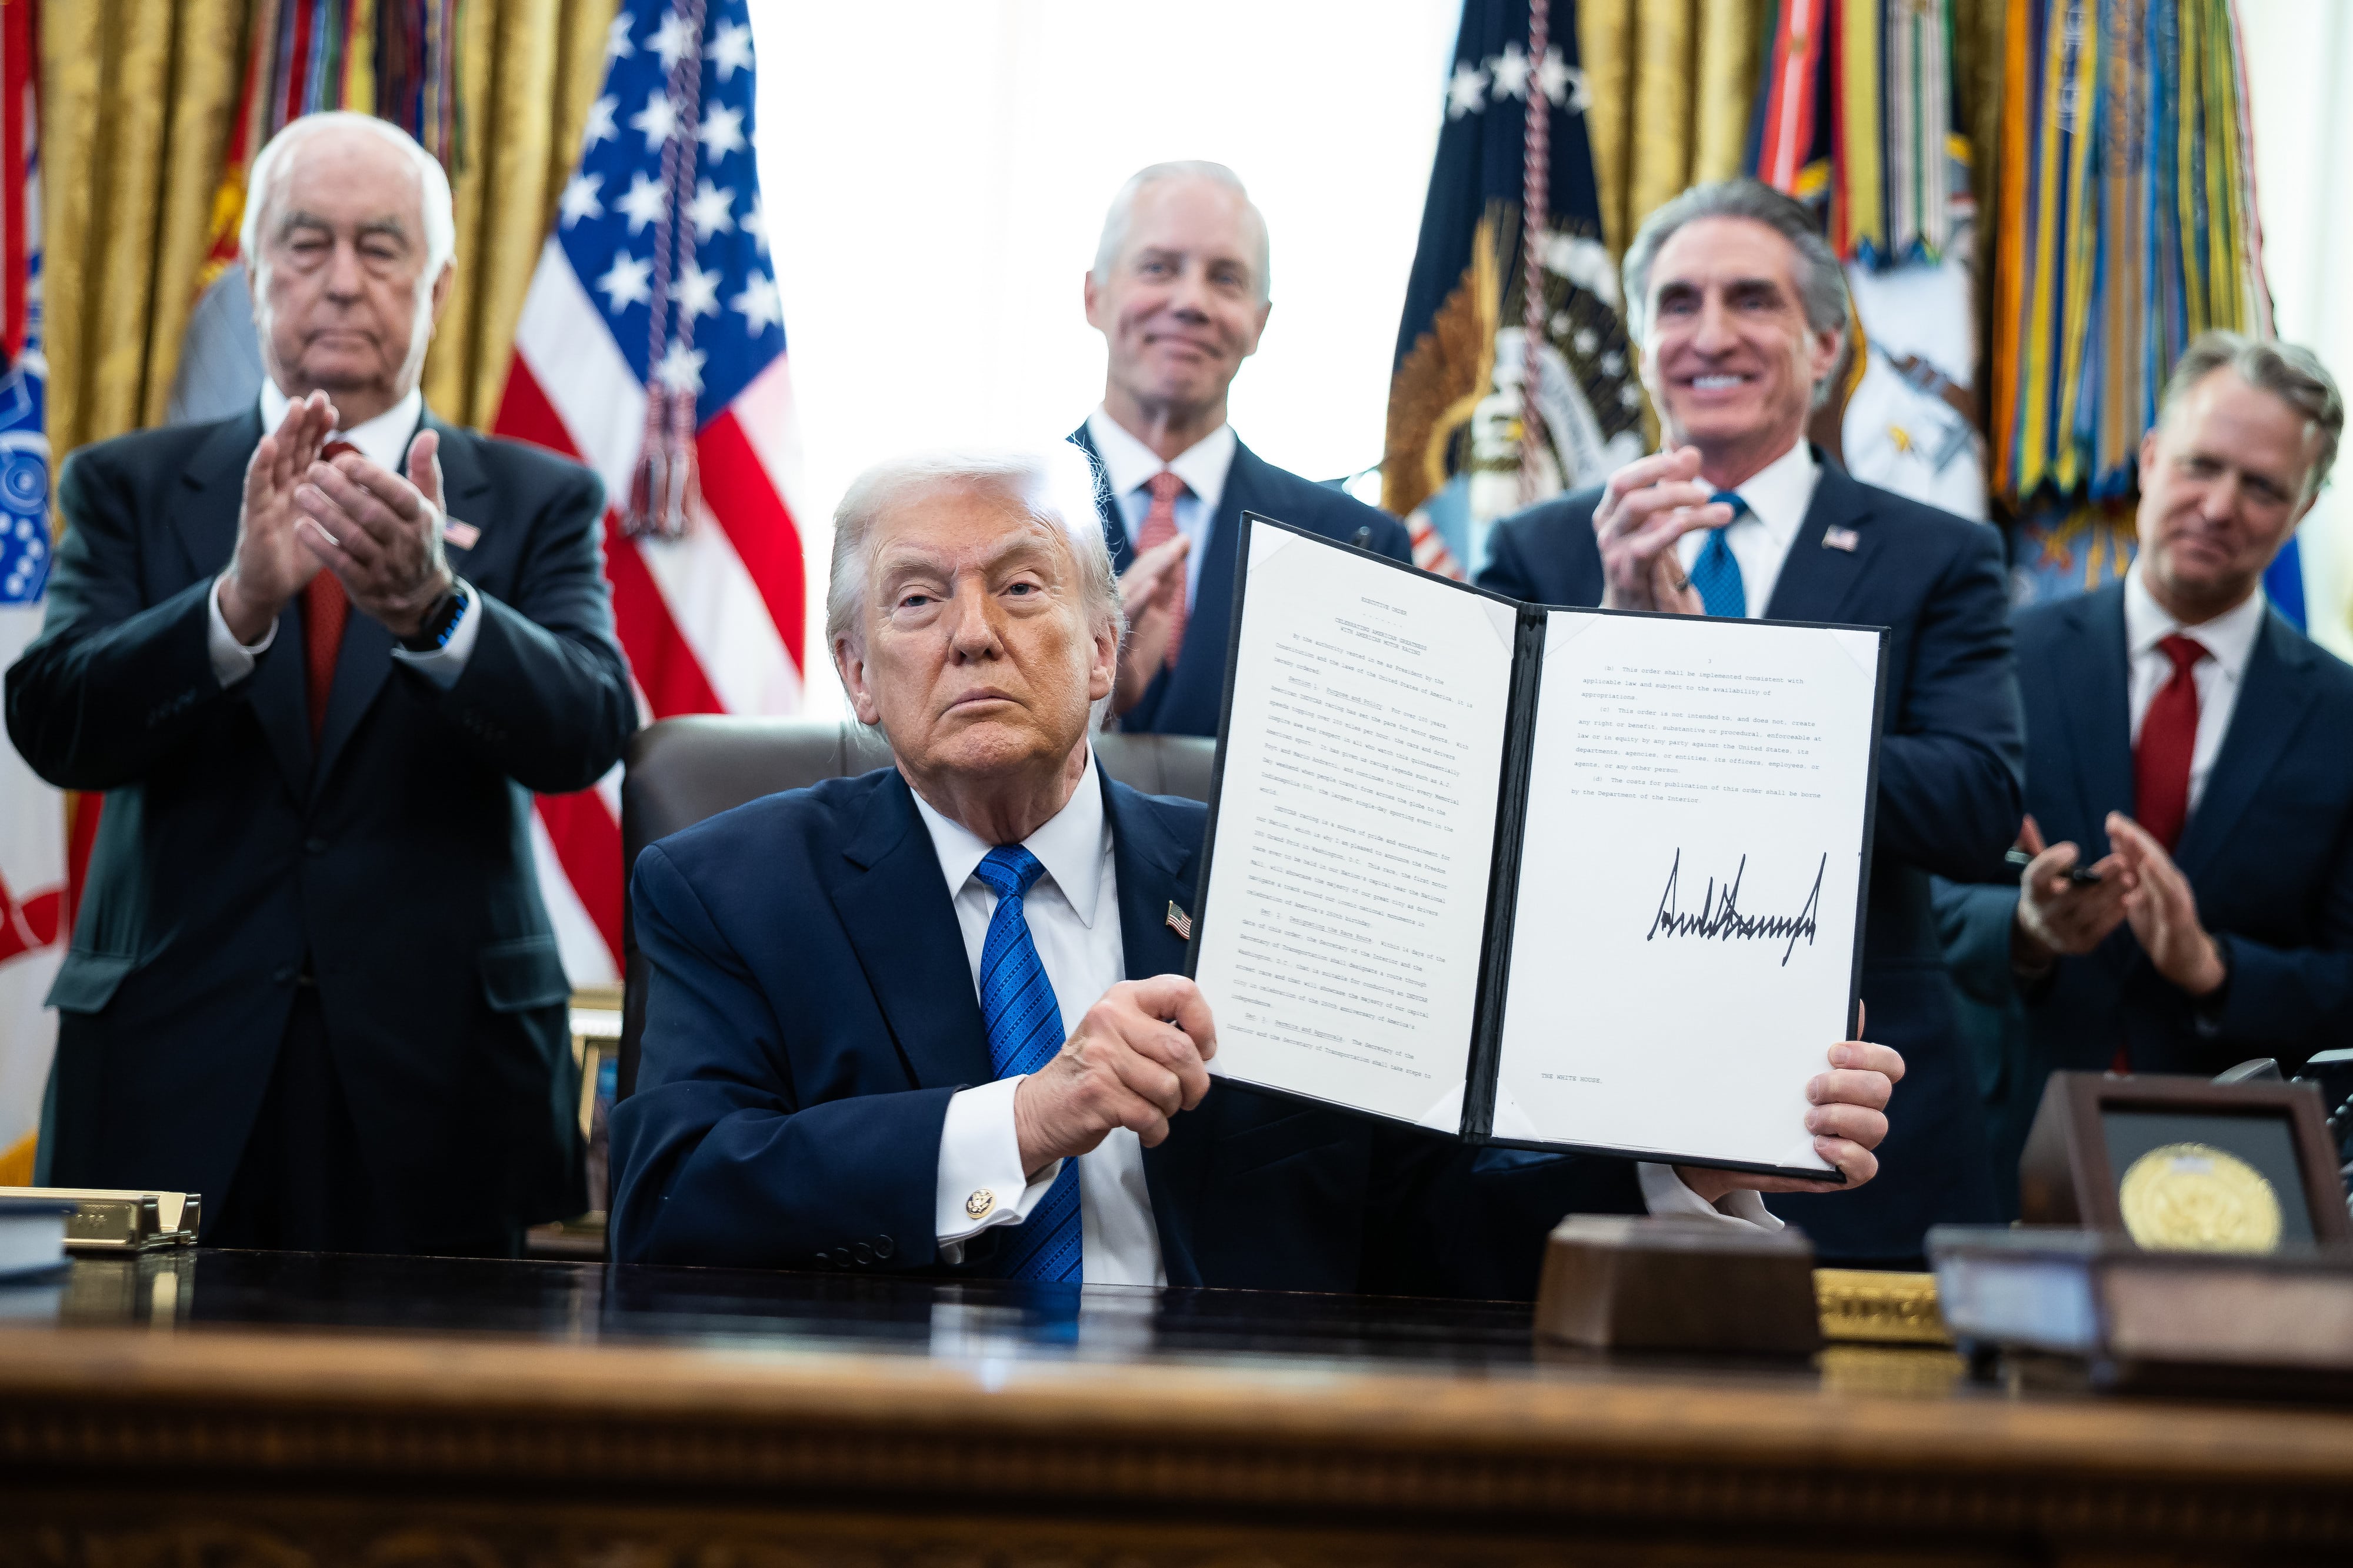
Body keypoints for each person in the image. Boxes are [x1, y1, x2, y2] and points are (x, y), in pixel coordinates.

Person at [606, 444, 1904, 1296]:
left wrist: (1695, 1164)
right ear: (852, 676)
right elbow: (671, 1198)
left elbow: (1426, 1224)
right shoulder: (725, 886)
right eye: (915, 602)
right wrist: (1024, 1119)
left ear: (1106, 651)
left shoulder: (1286, 875)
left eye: (1021, 587)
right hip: (890, 1467)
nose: (974, 637)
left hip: (1244, 1462)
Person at [5, 113, 635, 1255]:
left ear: (437, 287)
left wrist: (437, 613)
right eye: (305, 243)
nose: (342, 281)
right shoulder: (126, 487)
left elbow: (589, 729)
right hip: (164, 1078)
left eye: (381, 246)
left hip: (448, 1090)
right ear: (252, 276)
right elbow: (56, 721)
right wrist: (234, 603)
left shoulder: (543, 495)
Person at [1475, 179, 2022, 1267]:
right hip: (1589, 1106)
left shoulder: (1938, 555)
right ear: (1641, 340)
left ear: (1825, 344)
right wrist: (1622, 656)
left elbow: (1976, 801)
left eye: (1751, 301)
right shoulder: (1540, 553)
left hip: (1858, 1109)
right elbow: (1485, 811)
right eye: (1677, 304)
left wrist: (1715, 696)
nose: (1710, 334)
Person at [1957, 332, 2353, 1182]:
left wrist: (2214, 969)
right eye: (2201, 464)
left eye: (2261, 486)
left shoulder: (2342, 717)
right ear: (2148, 458)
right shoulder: (1997, 661)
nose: (2218, 505)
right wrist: (2024, 930)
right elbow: (1910, 902)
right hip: (1998, 1153)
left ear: (2306, 508)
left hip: (2240, 1184)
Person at [1072, 162, 1414, 736]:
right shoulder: (995, 519)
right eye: (1158, 268)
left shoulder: (1356, 547)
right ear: (1093, 297)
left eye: (1225, 278)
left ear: (1259, 323)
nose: (1189, 302)